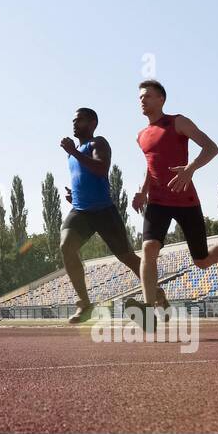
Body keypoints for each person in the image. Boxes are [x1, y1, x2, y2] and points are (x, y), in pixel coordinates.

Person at [131, 80, 218, 311]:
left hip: (184, 199)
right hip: (158, 202)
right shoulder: (141, 135)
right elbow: (151, 167)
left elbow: (211, 147)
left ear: (161, 99)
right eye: (140, 97)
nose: (143, 100)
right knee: (149, 249)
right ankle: (148, 307)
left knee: (201, 261)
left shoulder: (178, 122)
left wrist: (190, 168)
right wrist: (143, 191)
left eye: (148, 96)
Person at [60, 107, 165, 323]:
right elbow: (84, 177)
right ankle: (84, 304)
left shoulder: (98, 143)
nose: (74, 124)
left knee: (126, 256)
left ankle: (157, 293)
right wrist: (75, 194)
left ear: (92, 124)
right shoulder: (74, 153)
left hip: (104, 211)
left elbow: (101, 169)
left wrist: (75, 152)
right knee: (66, 247)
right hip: (80, 210)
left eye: (79, 120)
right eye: (73, 120)